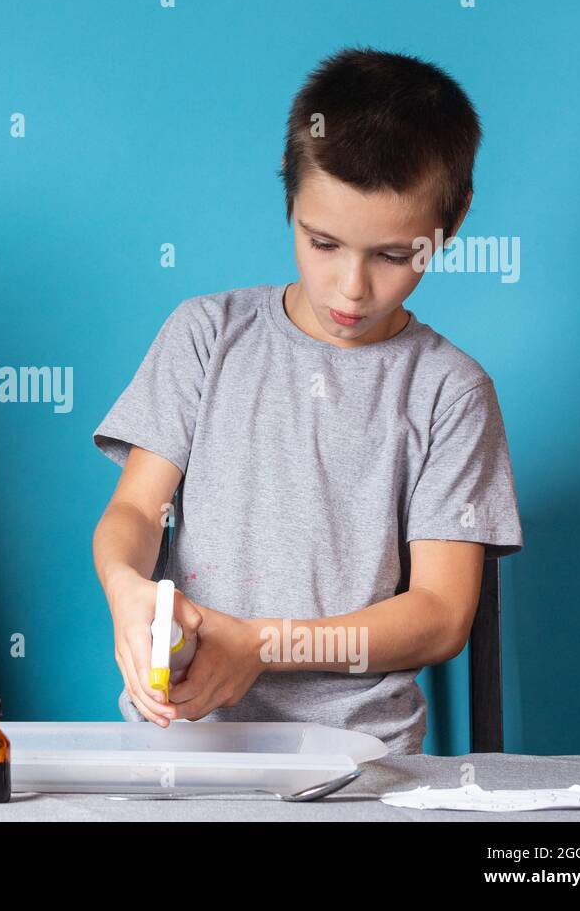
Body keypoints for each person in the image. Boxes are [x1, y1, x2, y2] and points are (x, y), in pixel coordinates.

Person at [92, 48, 524, 754]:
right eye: (322, 242)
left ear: (452, 222)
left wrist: (261, 645)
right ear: (288, 197)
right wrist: (124, 589)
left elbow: (444, 615)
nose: (351, 288)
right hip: (183, 748)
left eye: (391, 255)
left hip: (362, 756)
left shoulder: (451, 391)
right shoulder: (206, 335)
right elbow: (136, 512)